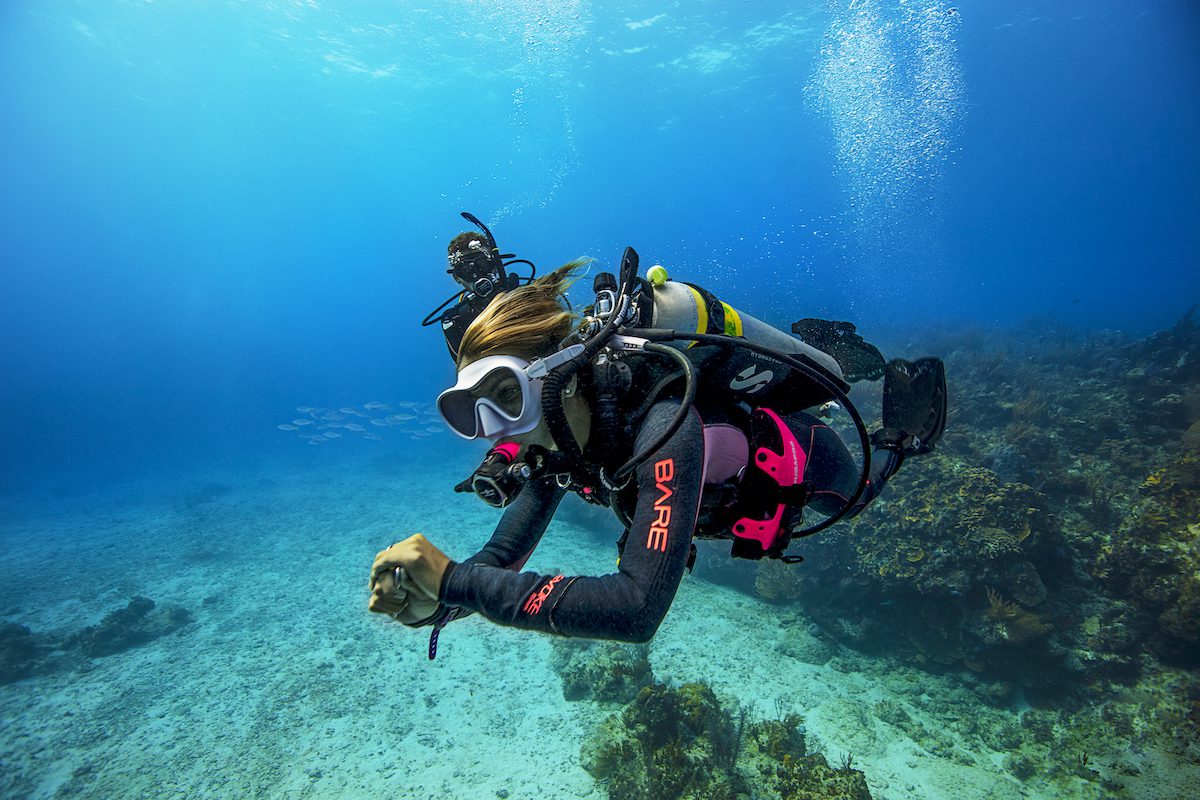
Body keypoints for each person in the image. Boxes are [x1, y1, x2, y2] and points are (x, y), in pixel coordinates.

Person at [372, 243, 946, 655]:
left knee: (857, 499)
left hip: (798, 455)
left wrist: (454, 582)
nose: (495, 430)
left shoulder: (665, 425)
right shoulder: (555, 444)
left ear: (557, 379)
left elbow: (634, 608)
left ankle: (898, 435)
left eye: (506, 396)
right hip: (713, 501)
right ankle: (825, 350)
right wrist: (436, 603)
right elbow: (500, 556)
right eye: (469, 411)